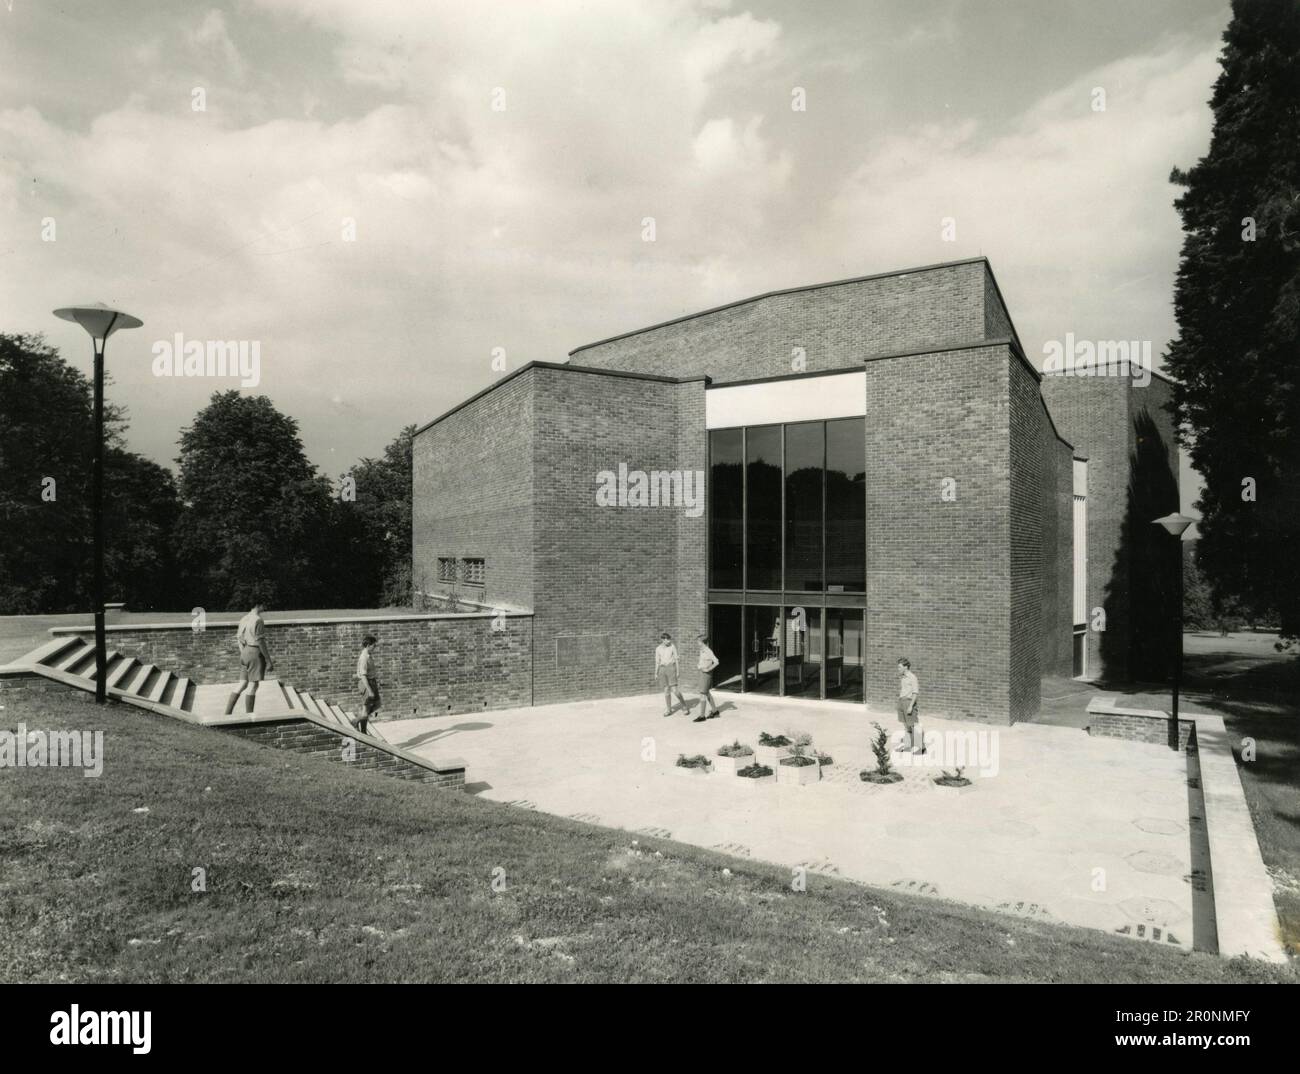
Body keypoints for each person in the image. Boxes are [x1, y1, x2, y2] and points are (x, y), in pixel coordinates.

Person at [224, 602, 274, 715]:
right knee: (253, 685)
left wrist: (244, 652)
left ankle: (227, 713)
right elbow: (260, 641)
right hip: (255, 652)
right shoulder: (258, 620)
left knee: (242, 683)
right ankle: (249, 715)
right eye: (264, 605)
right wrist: (268, 660)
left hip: (245, 652)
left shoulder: (244, 618)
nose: (265, 607)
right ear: (258, 605)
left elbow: (239, 637)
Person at [654, 632, 690, 717]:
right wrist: (656, 673)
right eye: (667, 640)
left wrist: (678, 671)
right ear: (663, 640)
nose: (669, 641)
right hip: (662, 670)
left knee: (675, 690)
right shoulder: (658, 649)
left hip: (671, 668)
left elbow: (677, 660)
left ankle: (684, 706)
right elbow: (657, 662)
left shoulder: (672, 647)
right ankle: (669, 709)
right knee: (666, 690)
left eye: (669, 639)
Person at [895, 657, 923, 753]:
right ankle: (907, 745)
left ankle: (920, 747)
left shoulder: (912, 677)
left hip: (909, 702)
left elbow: (915, 693)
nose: (898, 669)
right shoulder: (903, 677)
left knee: (913, 725)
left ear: (905, 667)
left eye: (899, 667)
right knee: (906, 725)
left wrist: (911, 706)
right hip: (902, 701)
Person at [354, 634, 380, 734]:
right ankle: (355, 722)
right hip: (367, 684)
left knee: (376, 704)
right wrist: (369, 690)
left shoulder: (368, 655)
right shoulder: (364, 657)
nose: (375, 647)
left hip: (372, 682)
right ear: (368, 645)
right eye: (374, 645)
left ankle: (361, 726)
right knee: (366, 708)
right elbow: (363, 676)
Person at [692, 633, 721, 722]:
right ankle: (715, 711)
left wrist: (708, 669)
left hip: (706, 674)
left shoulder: (708, 651)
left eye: (698, 641)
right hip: (702, 673)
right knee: (706, 692)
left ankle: (702, 716)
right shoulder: (702, 650)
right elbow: (703, 661)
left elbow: (716, 662)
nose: (697, 643)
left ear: (702, 642)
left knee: (703, 694)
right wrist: (699, 665)